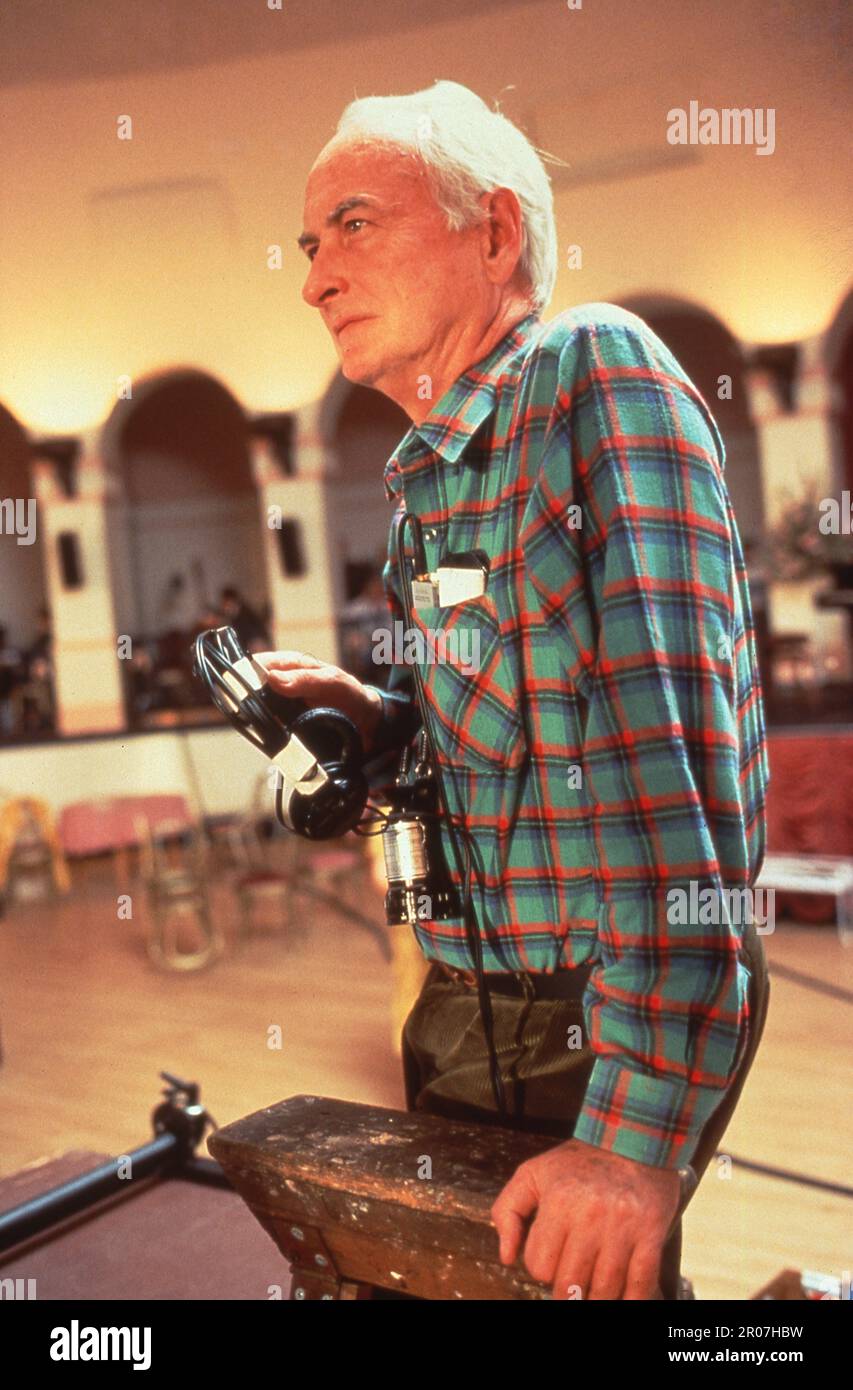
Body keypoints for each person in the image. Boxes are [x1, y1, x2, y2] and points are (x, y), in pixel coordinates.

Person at [256, 79, 770, 1301]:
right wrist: (380, 726)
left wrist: (634, 1145)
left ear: (493, 233)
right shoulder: (429, 475)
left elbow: (676, 776)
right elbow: (519, 748)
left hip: (585, 1032)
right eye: (308, 243)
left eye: (355, 224)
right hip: (456, 1014)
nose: (317, 276)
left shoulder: (590, 372)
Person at [219, 586, 269, 654]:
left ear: (233, 601)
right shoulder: (236, 615)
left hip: (256, 647)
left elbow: (256, 642)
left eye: (227, 604)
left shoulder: (245, 616)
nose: (225, 608)